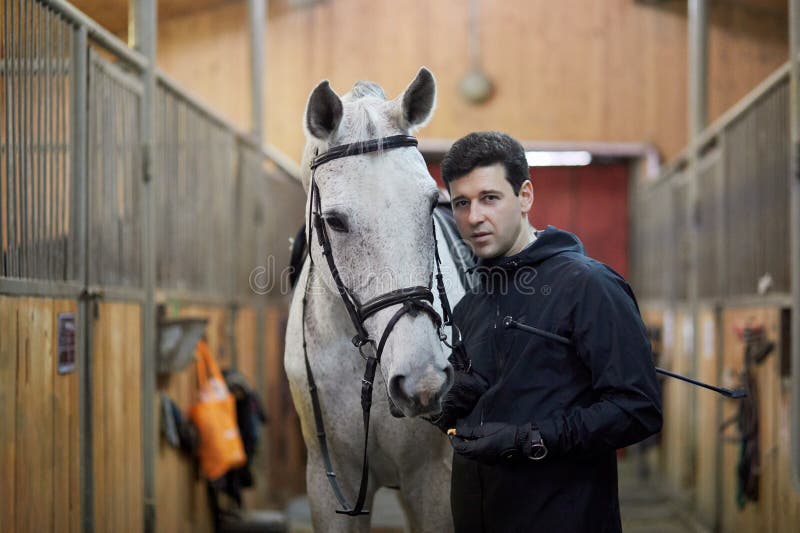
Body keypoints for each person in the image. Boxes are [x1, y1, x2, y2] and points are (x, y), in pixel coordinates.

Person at [432, 131, 662, 533]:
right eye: (461, 203)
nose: (473, 217)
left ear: (524, 196)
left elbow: (637, 409)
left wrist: (531, 439)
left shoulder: (587, 285)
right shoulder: (473, 302)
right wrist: (444, 400)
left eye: (489, 198)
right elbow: (486, 395)